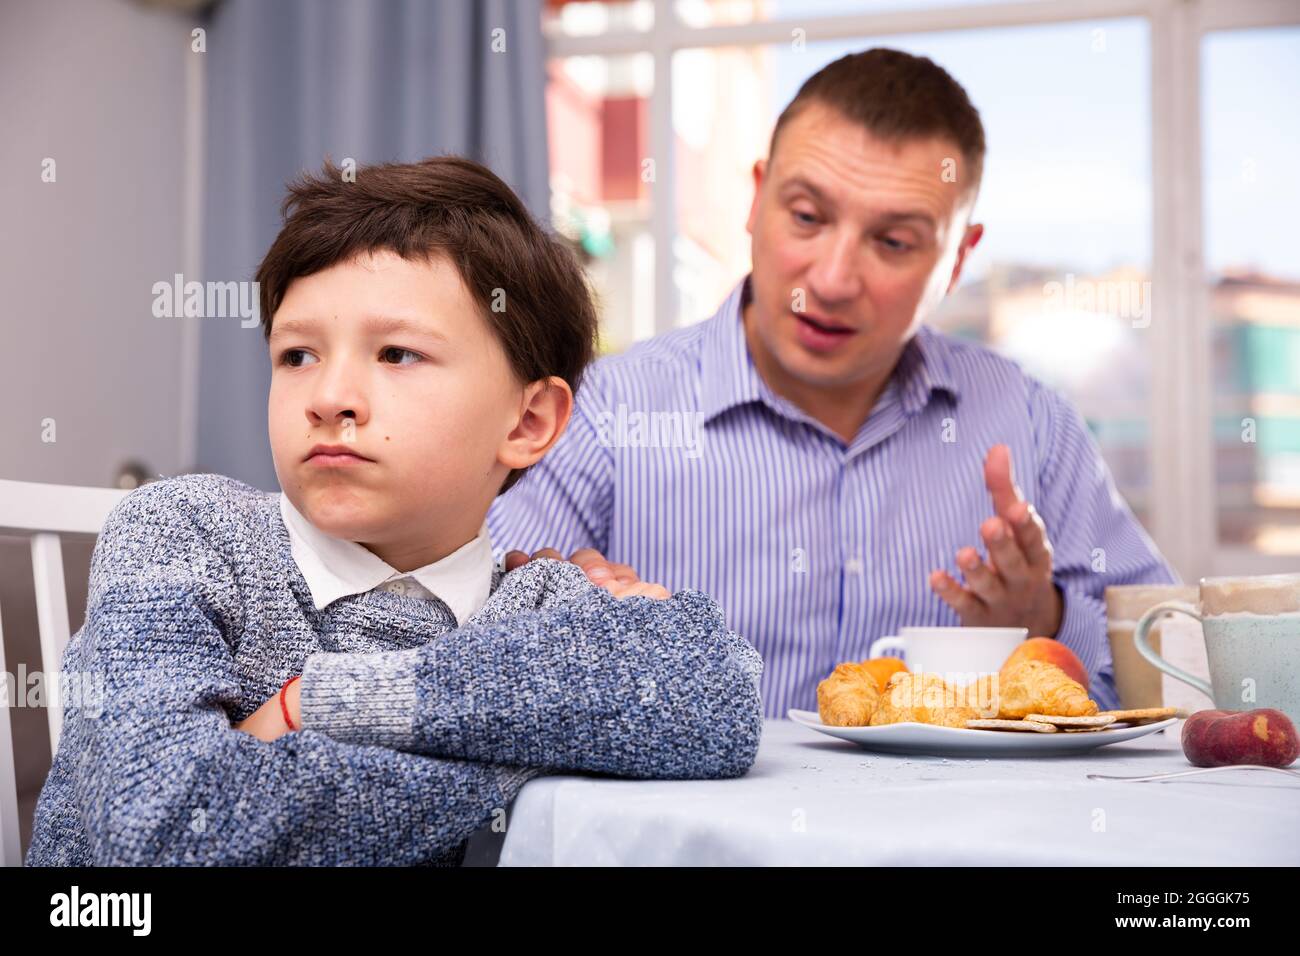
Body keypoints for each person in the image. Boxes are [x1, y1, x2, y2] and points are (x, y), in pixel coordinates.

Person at [25, 156, 763, 866]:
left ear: (529, 422)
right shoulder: (182, 533)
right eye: (297, 356)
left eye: (397, 355)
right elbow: (162, 835)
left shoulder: (539, 600)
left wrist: (311, 706)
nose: (328, 397)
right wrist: (527, 748)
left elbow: (720, 695)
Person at [489, 49, 1176, 717]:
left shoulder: (1031, 425)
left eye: (894, 243)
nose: (833, 280)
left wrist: (1045, 620)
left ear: (958, 258)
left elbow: (1174, 683)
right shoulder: (604, 412)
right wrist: (564, 613)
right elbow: (477, 642)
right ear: (757, 200)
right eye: (808, 218)